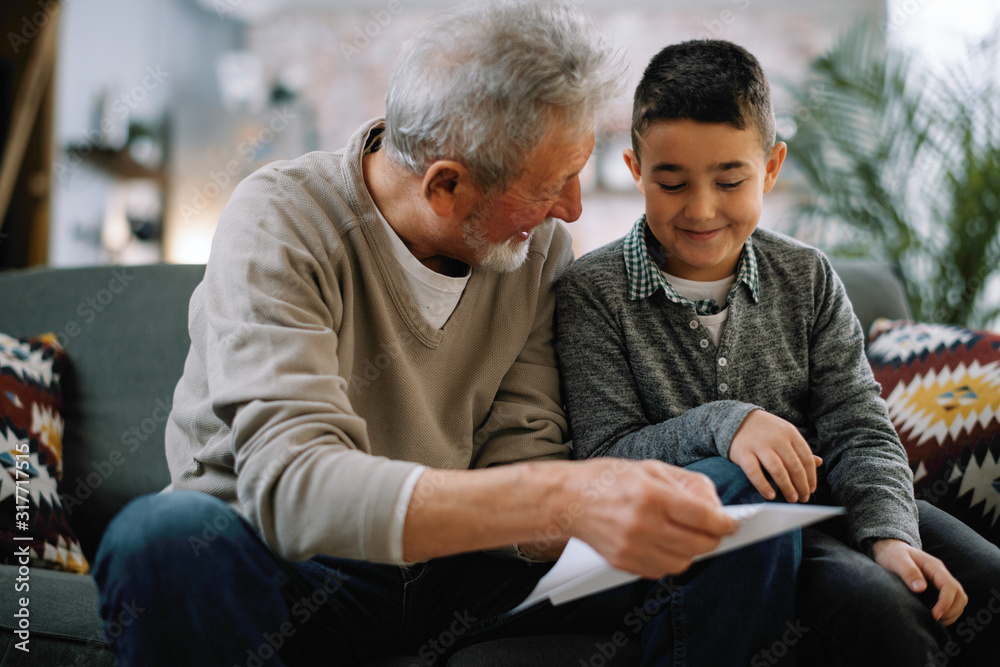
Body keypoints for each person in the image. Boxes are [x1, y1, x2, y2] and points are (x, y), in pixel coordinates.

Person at [93, 4, 801, 666]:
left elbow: (518, 452)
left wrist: (625, 500)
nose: (573, 206)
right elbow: (295, 488)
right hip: (297, 570)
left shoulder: (540, 249)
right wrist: (562, 496)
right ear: (445, 188)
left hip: (460, 572)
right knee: (156, 541)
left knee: (730, 494)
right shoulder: (281, 220)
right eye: (553, 182)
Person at [555, 38, 1000, 666]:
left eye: (730, 179)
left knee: (986, 582)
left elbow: (860, 427)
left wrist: (890, 535)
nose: (701, 209)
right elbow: (605, 456)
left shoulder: (808, 276)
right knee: (885, 609)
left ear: (770, 167)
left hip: (846, 499)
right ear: (635, 170)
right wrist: (726, 423)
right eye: (671, 182)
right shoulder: (591, 292)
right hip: (738, 540)